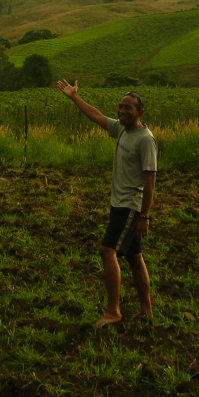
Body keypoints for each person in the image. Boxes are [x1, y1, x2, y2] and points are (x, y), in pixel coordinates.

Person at [57, 79, 158, 327]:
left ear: (140, 112)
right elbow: (97, 116)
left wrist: (145, 216)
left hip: (130, 206)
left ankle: (113, 311)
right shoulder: (122, 129)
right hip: (118, 204)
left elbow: (150, 180)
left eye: (128, 108)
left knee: (107, 251)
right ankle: (147, 310)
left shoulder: (145, 140)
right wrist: (74, 97)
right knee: (135, 257)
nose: (122, 111)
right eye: (121, 107)